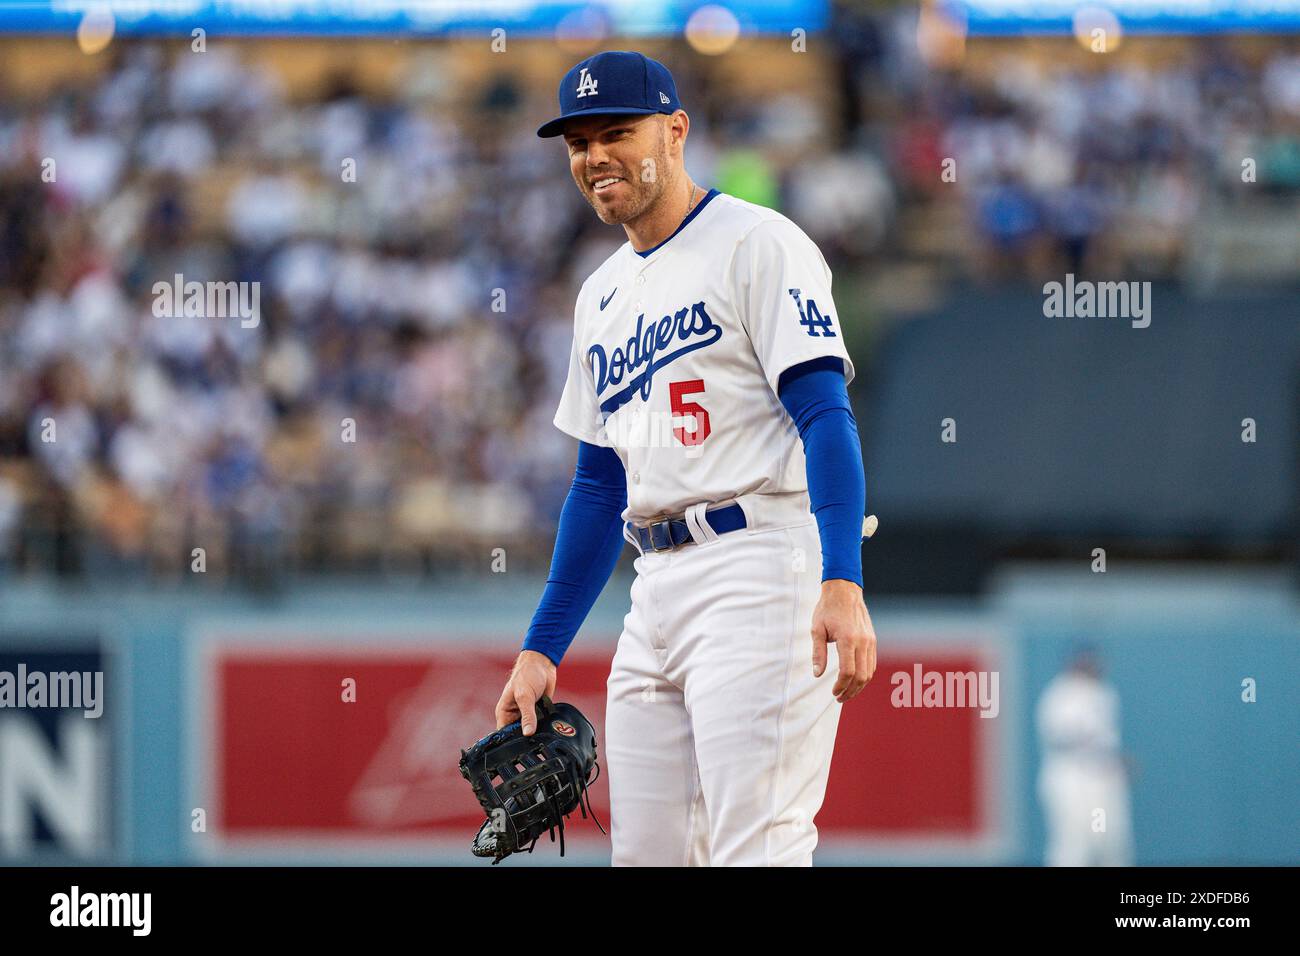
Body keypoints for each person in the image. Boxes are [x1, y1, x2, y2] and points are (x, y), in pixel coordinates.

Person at [494, 51, 877, 866]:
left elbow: (826, 417)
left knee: (757, 850)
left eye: (617, 133)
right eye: (578, 142)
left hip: (760, 564)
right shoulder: (599, 293)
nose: (596, 156)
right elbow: (599, 486)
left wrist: (841, 576)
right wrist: (542, 646)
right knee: (648, 859)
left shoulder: (758, 243)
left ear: (675, 131)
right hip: (655, 588)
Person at [1036, 645, 1135, 866]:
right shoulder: (1062, 694)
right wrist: (1097, 751)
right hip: (1072, 784)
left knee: (1106, 841)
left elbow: (1102, 741)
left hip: (1101, 785)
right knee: (1073, 845)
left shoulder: (1103, 692)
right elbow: (1061, 738)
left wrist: (1114, 760)